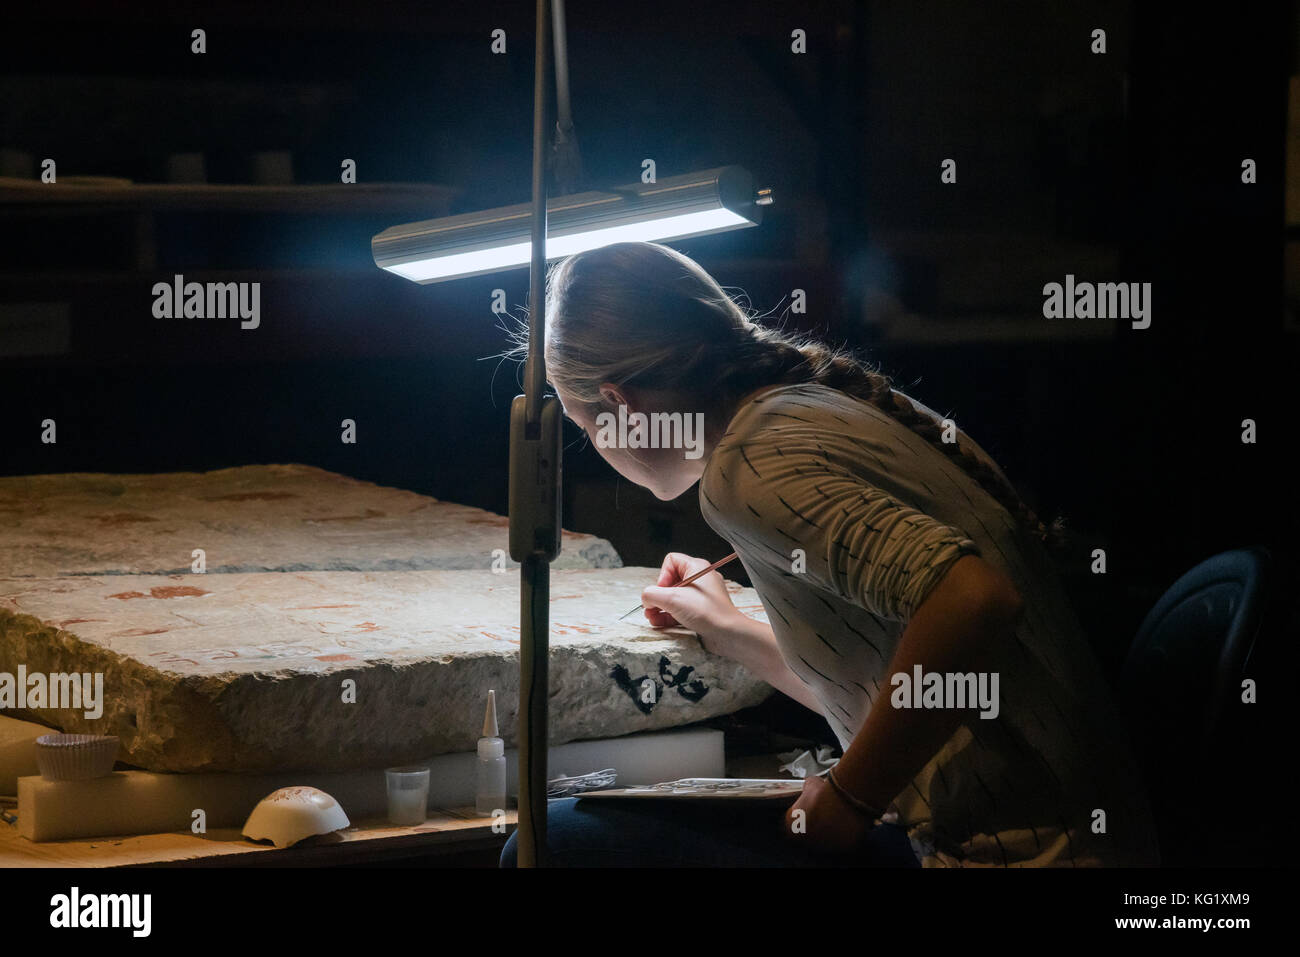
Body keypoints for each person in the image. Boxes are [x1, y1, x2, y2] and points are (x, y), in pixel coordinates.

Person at [500, 240, 1159, 867]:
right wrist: (730, 630)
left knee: (550, 842)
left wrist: (849, 795)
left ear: (620, 403)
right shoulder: (807, 403)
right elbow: (904, 675)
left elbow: (974, 600)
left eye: (589, 431)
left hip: (1011, 853)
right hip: (1083, 834)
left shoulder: (747, 470)